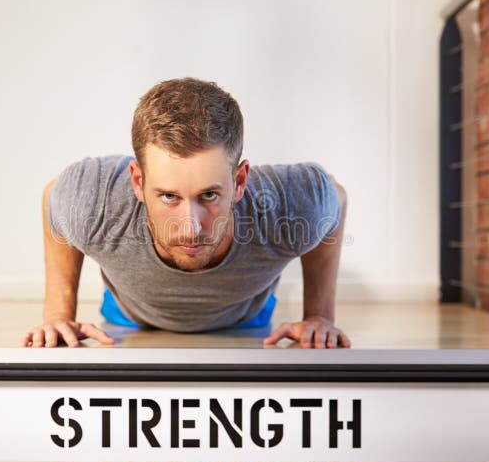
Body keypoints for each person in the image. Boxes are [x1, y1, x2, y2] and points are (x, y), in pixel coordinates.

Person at [22, 77, 351, 349]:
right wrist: (57, 314)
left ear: (239, 182)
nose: (191, 227)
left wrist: (319, 316)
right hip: (131, 314)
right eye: (168, 196)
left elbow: (336, 198)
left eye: (209, 195)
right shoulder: (94, 197)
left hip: (246, 316)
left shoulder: (291, 203)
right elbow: (54, 197)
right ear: (137, 181)